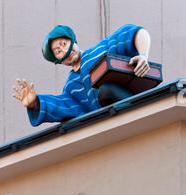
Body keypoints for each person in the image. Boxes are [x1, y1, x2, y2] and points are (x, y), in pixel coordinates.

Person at [13, 23, 151, 126]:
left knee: (106, 91)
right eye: (58, 51)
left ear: (73, 41)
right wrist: (35, 103)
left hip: (133, 109)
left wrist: (143, 55)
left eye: (64, 43)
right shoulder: (70, 87)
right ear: (59, 61)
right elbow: (61, 106)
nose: (64, 49)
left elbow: (134, 33)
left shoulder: (101, 50)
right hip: (106, 124)